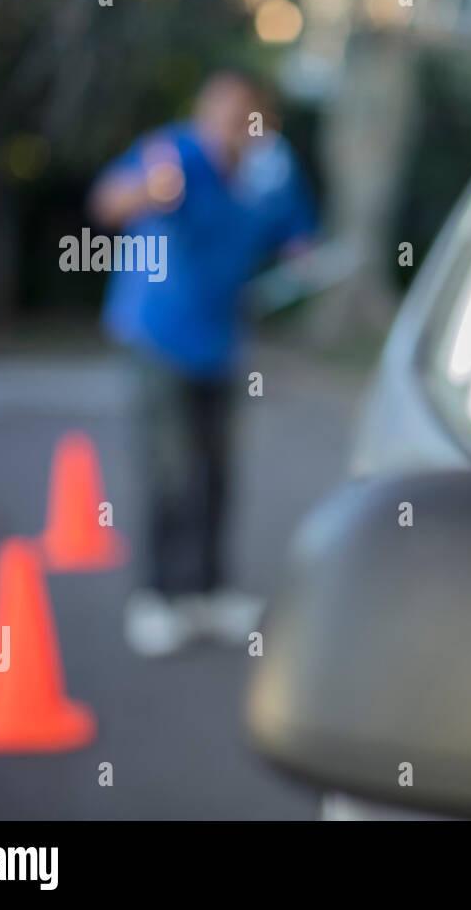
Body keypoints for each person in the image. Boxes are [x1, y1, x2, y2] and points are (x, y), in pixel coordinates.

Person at [88, 68, 319, 657]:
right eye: (219, 111)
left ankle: (210, 592)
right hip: (158, 334)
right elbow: (109, 202)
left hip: (222, 339)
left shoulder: (273, 171)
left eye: (245, 113)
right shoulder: (174, 154)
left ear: (263, 120)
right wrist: (147, 193)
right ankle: (158, 598)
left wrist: (302, 255)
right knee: (167, 467)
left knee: (217, 470)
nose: (230, 125)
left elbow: (295, 232)